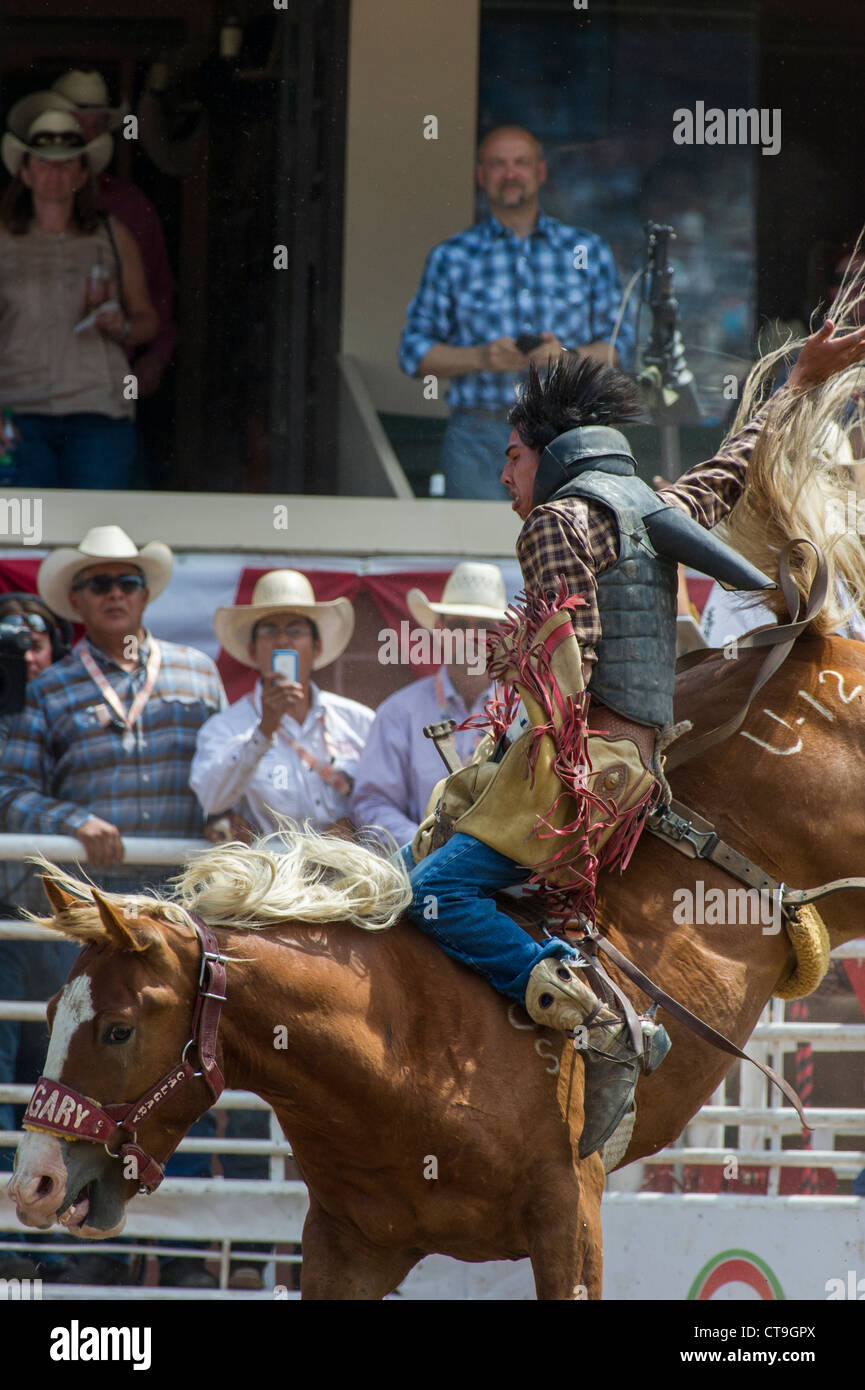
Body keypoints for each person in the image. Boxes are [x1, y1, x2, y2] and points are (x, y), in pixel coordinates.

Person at [404, 320, 865, 1160]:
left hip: (578, 772)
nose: (504, 475)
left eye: (511, 456)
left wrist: (521, 750)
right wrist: (797, 377)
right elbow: (729, 472)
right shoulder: (650, 508)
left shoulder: (552, 522)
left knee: (432, 894)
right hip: (637, 770)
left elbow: (565, 662)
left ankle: (588, 1015)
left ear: (545, 456)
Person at [0, 525, 227, 1286]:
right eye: (98, 584)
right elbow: (11, 791)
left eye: (127, 581)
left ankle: (189, 1254)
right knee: (94, 1072)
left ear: (145, 592)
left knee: (183, 1076)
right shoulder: (49, 687)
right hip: (91, 931)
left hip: (178, 924)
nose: (115, 594)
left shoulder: (199, 674)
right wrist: (72, 821)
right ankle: (80, 1246)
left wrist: (224, 825)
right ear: (78, 601)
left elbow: (223, 779)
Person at [399, 125, 634, 499]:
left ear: (540, 172)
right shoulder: (452, 257)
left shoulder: (587, 251)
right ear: (481, 175)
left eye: (520, 163)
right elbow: (413, 353)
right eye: (498, 164)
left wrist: (566, 359)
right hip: (478, 438)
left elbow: (621, 348)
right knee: (474, 550)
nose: (510, 174)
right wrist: (481, 357)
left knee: (568, 545)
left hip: (567, 435)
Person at [0, 110, 158, 488]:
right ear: (25, 172)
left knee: (97, 537)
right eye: (43, 162)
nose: (54, 173)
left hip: (98, 411)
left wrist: (122, 325)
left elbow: (148, 321)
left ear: (82, 174)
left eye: (67, 163)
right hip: (20, 411)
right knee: (29, 537)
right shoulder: (3, 239)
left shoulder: (112, 235)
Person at [8, 73, 177, 403]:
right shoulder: (11, 220)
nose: (82, 136)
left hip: (105, 386)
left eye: (95, 126)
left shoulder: (129, 208)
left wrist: (155, 357)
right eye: (73, 125)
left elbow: (158, 292)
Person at [0, 593, 74, 1282]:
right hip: (6, 932)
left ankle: (52, 1243)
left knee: (50, 1086)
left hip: (47, 925)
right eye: (8, 640)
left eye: (35, 637)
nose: (23, 650)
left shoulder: (57, 707)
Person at [191, 569, 374, 838]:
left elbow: (389, 800)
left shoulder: (359, 722)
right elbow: (211, 800)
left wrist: (355, 824)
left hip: (347, 875)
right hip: (267, 876)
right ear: (253, 650)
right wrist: (264, 730)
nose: (282, 640)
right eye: (270, 630)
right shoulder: (225, 728)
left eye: (295, 630)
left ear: (317, 647)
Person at [351, 562, 507, 845]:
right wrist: (422, 844)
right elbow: (372, 804)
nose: (471, 636)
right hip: (420, 878)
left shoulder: (523, 710)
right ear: (439, 629)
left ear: (500, 635)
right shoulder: (399, 713)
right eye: (459, 625)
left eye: (484, 626)